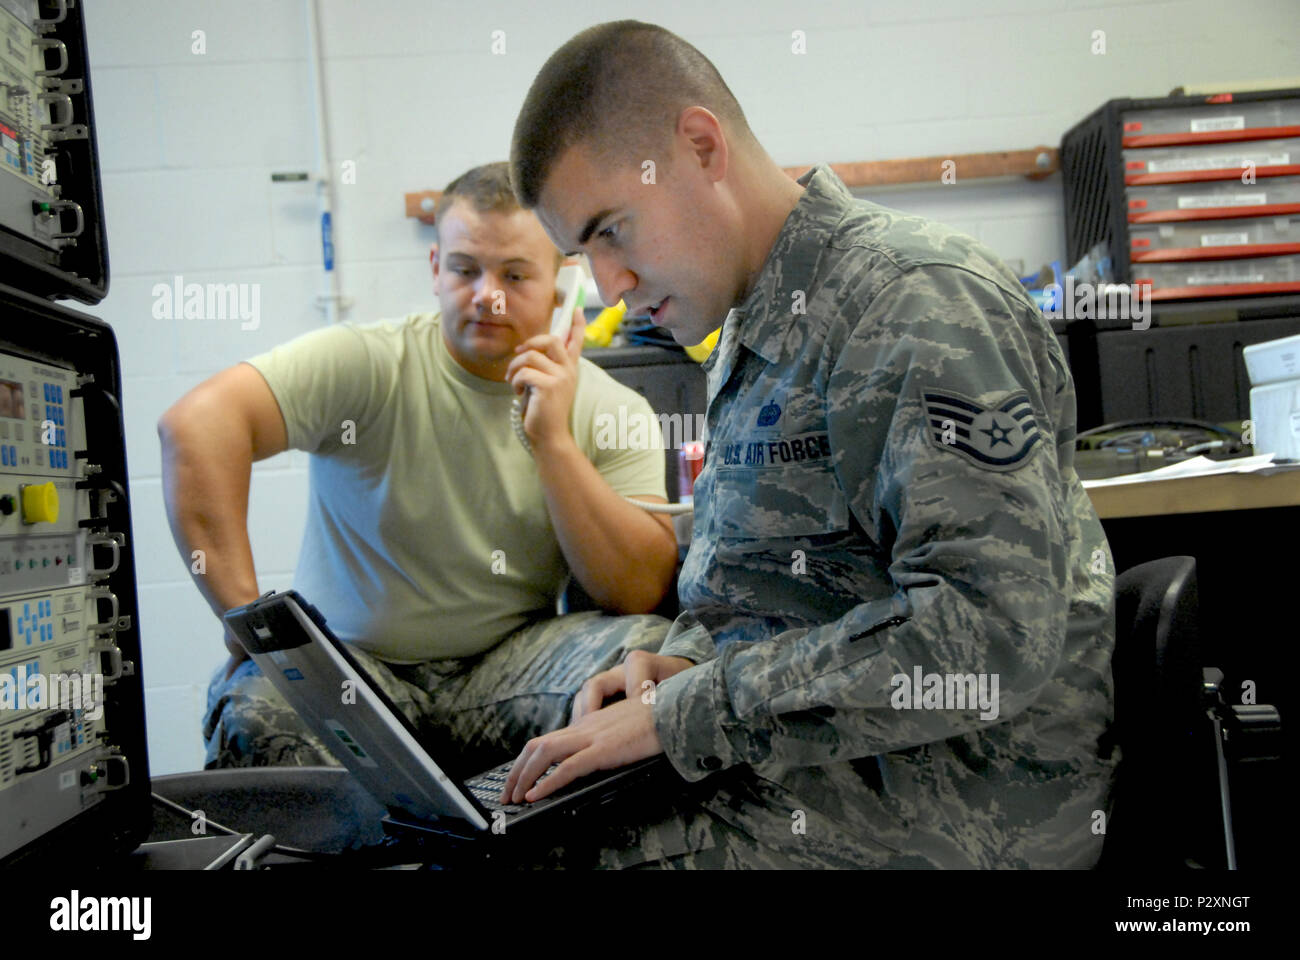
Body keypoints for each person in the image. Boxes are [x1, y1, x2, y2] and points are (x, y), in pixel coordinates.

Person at [497, 20, 1118, 868]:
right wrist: (680, 666)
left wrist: (689, 713)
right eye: (583, 253)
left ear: (701, 146)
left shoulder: (915, 302)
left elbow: (990, 634)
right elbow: (775, 592)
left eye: (612, 230)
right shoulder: (753, 323)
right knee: (517, 822)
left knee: (554, 855)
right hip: (841, 764)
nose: (610, 286)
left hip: (971, 794)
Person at [158, 161, 679, 772]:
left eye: (514, 275)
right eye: (465, 270)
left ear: (562, 286)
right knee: (255, 709)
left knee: (646, 664)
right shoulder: (367, 363)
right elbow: (194, 428)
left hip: (504, 674)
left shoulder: (611, 408)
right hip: (358, 672)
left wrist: (553, 443)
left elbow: (637, 592)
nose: (487, 295)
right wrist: (245, 621)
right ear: (435, 270)